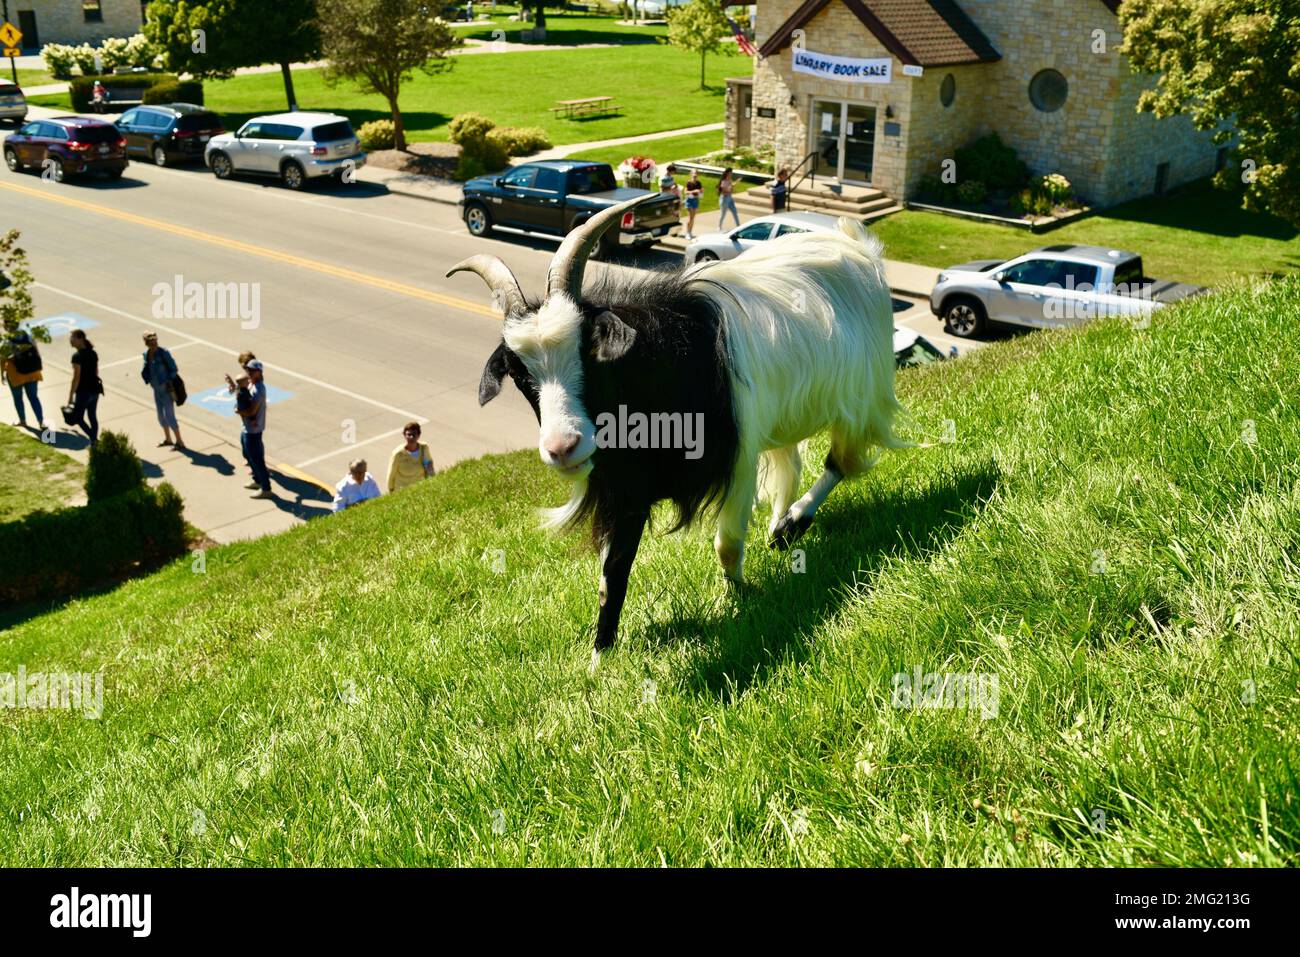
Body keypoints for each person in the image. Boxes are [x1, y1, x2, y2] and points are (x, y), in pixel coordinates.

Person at [225, 358, 272, 500]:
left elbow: (251, 411)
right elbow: (242, 395)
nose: (248, 373)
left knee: (257, 459)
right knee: (247, 454)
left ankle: (266, 489)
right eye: (247, 370)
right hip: (246, 427)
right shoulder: (251, 384)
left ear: (259, 372)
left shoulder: (259, 390)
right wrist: (233, 385)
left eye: (251, 370)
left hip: (253, 430)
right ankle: (257, 480)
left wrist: (238, 411)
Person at [140, 331, 185, 449]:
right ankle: (168, 439)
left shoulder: (163, 353)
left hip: (166, 390)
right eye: (151, 341)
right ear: (146, 342)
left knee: (170, 416)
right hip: (156, 389)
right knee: (161, 416)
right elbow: (147, 369)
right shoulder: (146, 354)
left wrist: (168, 382)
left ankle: (179, 441)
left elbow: (174, 369)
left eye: (155, 340)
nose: (154, 343)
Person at [3, 326, 45, 432]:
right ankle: (41, 421)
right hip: (32, 372)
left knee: (18, 398)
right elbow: (37, 352)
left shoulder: (6, 340)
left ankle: (22, 421)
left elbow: (3, 358)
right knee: (34, 397)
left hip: (15, 374)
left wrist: (2, 374)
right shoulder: (28, 335)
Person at [66, 329, 100, 445]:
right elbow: (96, 372)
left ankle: (94, 439)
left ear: (81, 339)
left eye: (73, 338)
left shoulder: (77, 356)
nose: (71, 340)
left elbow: (76, 377)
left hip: (83, 392)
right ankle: (94, 441)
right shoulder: (93, 353)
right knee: (92, 416)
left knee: (78, 418)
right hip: (95, 389)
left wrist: (71, 395)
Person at [387, 421, 434, 492]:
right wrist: (391, 489)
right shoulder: (398, 454)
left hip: (419, 489)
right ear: (404, 435)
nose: (411, 437)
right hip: (402, 491)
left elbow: (429, 467)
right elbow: (391, 474)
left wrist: (432, 481)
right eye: (409, 434)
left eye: (414, 434)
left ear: (418, 435)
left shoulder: (424, 448)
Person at [683, 170, 703, 240]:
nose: (695, 175)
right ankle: (687, 233)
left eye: (696, 174)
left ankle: (690, 232)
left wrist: (701, 192)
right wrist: (694, 191)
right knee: (690, 218)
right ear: (691, 174)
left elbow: (700, 192)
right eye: (694, 173)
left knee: (693, 218)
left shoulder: (698, 183)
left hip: (696, 200)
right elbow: (685, 192)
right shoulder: (689, 183)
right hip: (689, 201)